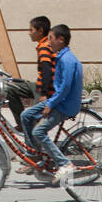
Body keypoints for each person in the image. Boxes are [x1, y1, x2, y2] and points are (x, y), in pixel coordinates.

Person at [20, 24, 82, 187]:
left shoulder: (67, 60)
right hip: (58, 100)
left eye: (51, 39)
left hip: (64, 105)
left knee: (39, 131)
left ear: (61, 40)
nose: (49, 42)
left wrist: (50, 104)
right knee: (25, 116)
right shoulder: (61, 57)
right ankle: (34, 156)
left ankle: (65, 164)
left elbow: (65, 87)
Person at [5, 15, 54, 132]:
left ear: (40, 31)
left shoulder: (45, 47)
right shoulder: (43, 45)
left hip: (44, 88)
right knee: (10, 89)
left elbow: (47, 71)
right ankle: (21, 123)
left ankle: (31, 138)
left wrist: (43, 94)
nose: (29, 33)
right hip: (38, 84)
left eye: (31, 30)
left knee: (31, 119)